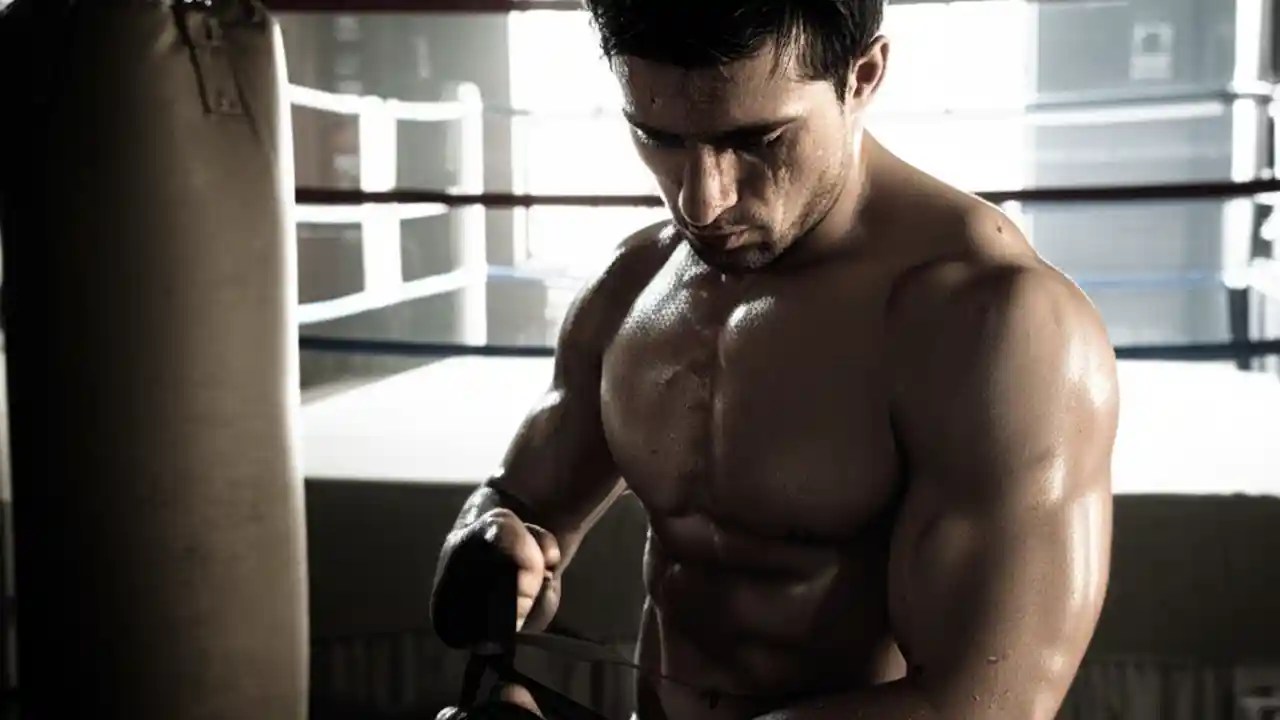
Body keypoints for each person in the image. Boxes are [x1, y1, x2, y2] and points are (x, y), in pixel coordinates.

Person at [431, 1, 1119, 718]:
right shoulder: (635, 283)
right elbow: (516, 506)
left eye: (758, 140)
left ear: (864, 76)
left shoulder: (992, 322)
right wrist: (492, 549)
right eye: (658, 138)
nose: (702, 202)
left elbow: (983, 707)